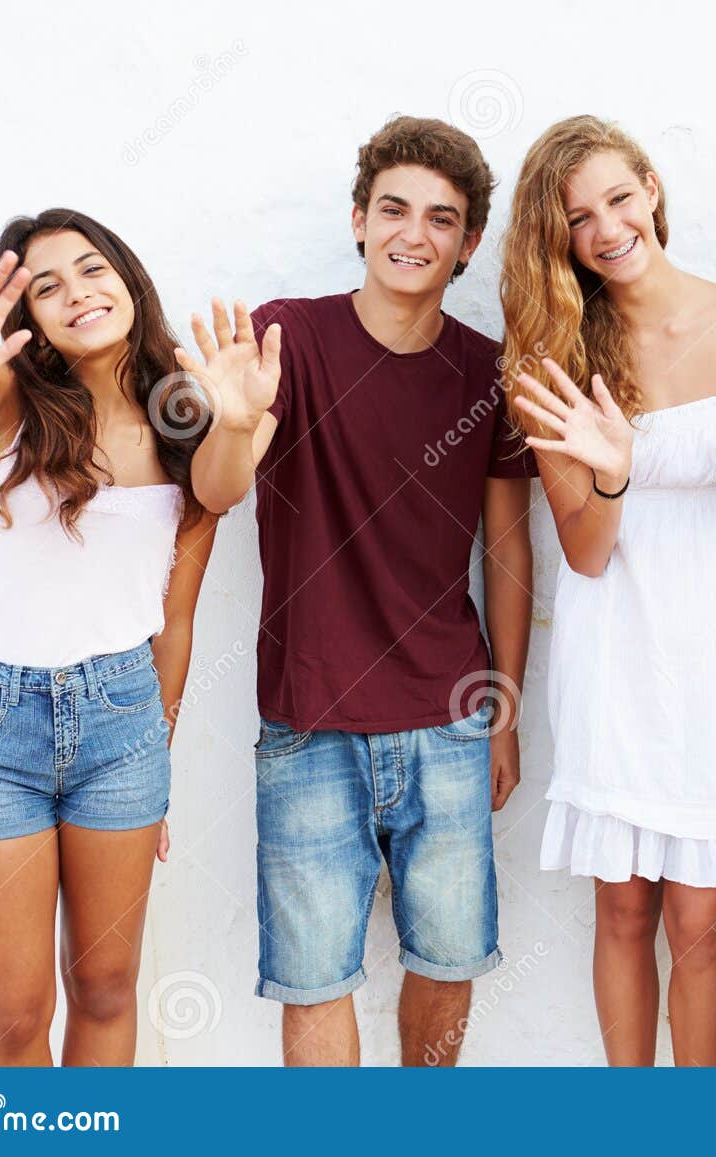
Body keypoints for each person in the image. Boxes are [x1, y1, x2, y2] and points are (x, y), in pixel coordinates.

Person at [179, 116, 534, 1066]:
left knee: (451, 961)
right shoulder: (287, 336)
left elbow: (507, 549)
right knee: (313, 979)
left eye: (441, 218)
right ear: (359, 220)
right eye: (394, 210)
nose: (413, 233)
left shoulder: (486, 371)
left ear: (465, 243)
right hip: (309, 719)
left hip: (450, 719)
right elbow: (218, 491)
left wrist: (504, 709)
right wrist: (234, 423)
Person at [499, 115, 716, 1066]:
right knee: (625, 906)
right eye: (577, 218)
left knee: (702, 917)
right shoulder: (548, 362)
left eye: (617, 198)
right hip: (617, 657)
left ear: (651, 187)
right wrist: (608, 473)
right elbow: (589, 554)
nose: (605, 228)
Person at [0, 208, 220, 1064]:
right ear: (29, 322)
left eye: (90, 269)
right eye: (46, 286)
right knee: (14, 1019)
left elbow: (179, 616)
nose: (76, 292)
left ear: (127, 277)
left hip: (123, 728)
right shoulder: (8, 403)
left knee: (105, 988)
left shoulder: (184, 425)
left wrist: (157, 756)